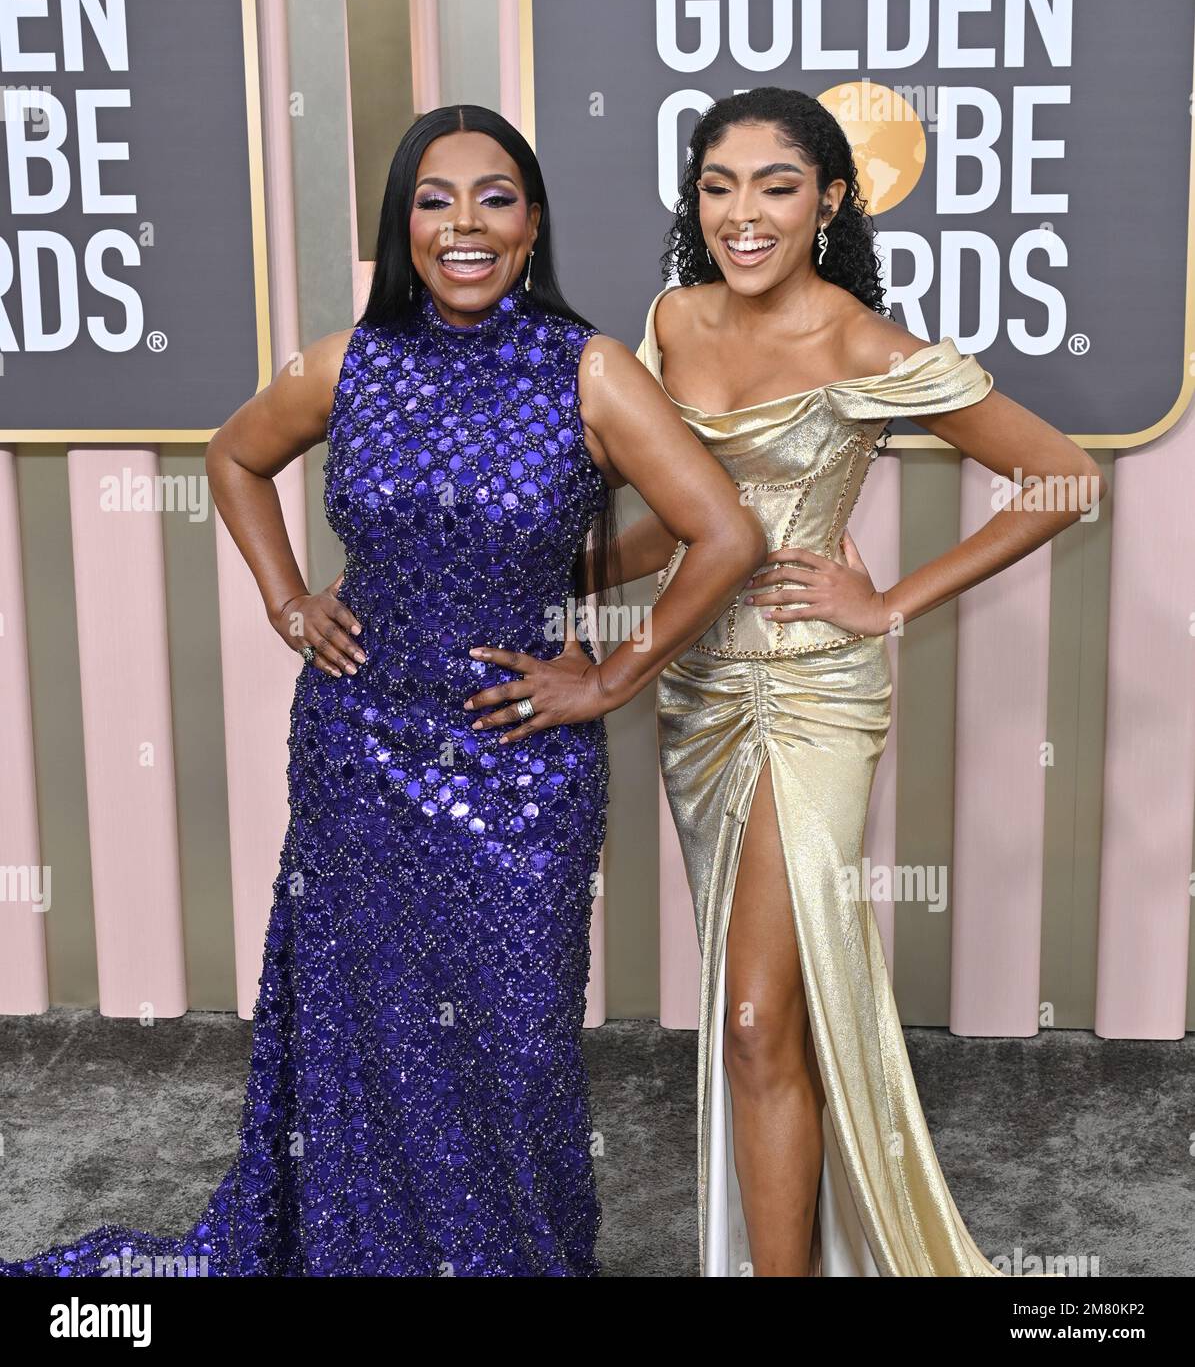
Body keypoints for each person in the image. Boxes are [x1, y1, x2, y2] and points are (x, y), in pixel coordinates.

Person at [0, 105, 762, 1278]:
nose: (464, 224)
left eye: (493, 197)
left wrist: (610, 672)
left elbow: (723, 531)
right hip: (359, 749)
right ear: (400, 223)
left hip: (519, 765)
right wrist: (287, 599)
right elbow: (236, 456)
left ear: (532, 221)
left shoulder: (590, 368)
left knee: (514, 1045)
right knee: (368, 1034)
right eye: (433, 199)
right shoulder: (344, 364)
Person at [613, 87, 1104, 1276]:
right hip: (697, 695)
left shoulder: (860, 343)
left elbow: (1058, 478)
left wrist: (885, 605)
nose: (742, 214)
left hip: (809, 693)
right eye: (718, 185)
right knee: (767, 1017)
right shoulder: (671, 321)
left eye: (776, 186)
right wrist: (519, 582)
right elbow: (672, 528)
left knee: (746, 1018)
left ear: (830, 199)